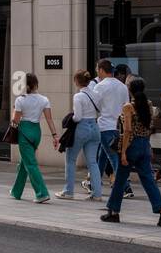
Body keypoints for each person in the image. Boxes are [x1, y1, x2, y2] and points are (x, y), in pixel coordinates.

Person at [101, 78, 161, 226]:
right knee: (148, 180)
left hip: (131, 145)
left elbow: (128, 131)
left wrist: (124, 152)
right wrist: (149, 147)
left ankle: (113, 212)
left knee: (120, 179)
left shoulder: (128, 107)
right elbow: (148, 127)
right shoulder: (149, 105)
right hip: (144, 144)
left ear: (130, 90)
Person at [9, 73, 57, 204]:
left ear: (25, 85)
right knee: (24, 162)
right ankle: (16, 191)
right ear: (36, 84)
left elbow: (15, 120)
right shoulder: (44, 99)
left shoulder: (20, 100)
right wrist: (55, 135)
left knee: (30, 164)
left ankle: (42, 193)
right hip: (36, 132)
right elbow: (49, 120)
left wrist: (14, 110)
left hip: (24, 132)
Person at [86, 59, 129, 198]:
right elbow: (126, 107)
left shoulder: (100, 86)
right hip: (119, 127)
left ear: (101, 70)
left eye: (97, 69)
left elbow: (95, 107)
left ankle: (126, 187)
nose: (97, 72)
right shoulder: (122, 86)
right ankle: (93, 184)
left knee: (113, 158)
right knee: (102, 156)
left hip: (105, 126)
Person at [57, 70, 102, 201]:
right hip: (94, 127)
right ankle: (97, 194)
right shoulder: (96, 94)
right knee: (92, 162)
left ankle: (68, 191)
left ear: (76, 81)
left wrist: (70, 118)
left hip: (82, 128)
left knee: (71, 159)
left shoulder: (78, 96)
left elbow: (77, 117)